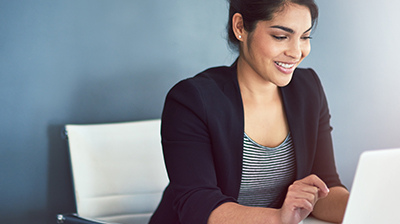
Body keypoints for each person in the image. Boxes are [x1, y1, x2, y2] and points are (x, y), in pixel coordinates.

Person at [150, 0, 349, 223]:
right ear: (240, 27)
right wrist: (278, 218)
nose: (296, 52)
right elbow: (197, 206)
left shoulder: (308, 89)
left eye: (305, 37)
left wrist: (375, 206)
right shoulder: (192, 100)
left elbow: (324, 190)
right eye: (281, 36)